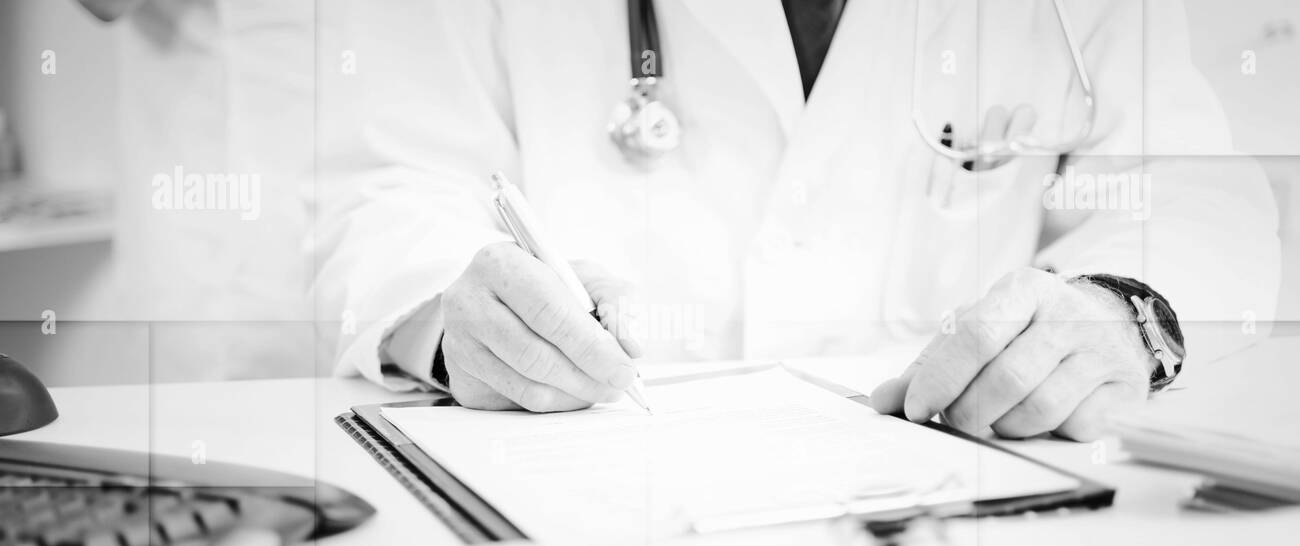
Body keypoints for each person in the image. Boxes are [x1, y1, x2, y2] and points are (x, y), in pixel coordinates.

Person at [315, 0, 1280, 441]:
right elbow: (390, 186)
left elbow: (1189, 189)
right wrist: (454, 316)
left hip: (968, 502)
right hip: (589, 506)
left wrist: (1120, 313)